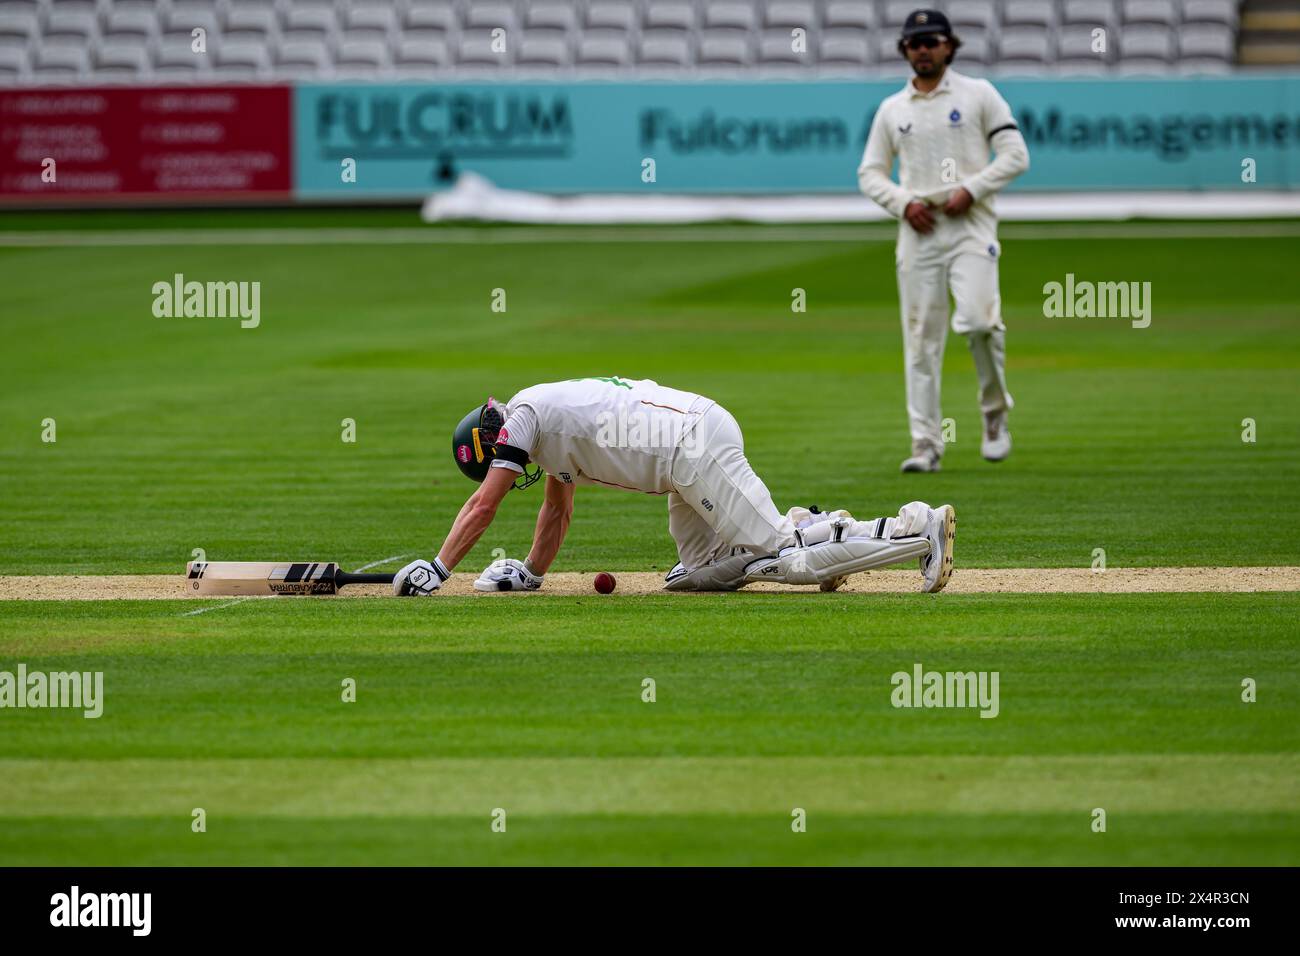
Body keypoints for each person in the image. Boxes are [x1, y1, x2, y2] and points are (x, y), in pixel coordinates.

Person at [391, 376, 955, 596]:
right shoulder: (545, 425)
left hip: (689, 447)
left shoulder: (523, 418)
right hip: (683, 458)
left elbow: (482, 504)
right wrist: (531, 574)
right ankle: (811, 533)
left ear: (492, 439)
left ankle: (912, 530)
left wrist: (438, 568)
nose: (501, 474)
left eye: (494, 463)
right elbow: (556, 513)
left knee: (788, 561)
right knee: (698, 577)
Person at [858, 9, 1030, 472]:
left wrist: (971, 189)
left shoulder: (979, 94)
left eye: (931, 41)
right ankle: (925, 445)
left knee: (978, 323)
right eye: (914, 43)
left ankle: (994, 416)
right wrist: (903, 203)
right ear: (905, 50)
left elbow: (1016, 155)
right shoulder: (893, 109)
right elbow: (870, 172)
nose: (922, 49)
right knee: (920, 339)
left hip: (969, 225)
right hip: (919, 231)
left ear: (949, 46)